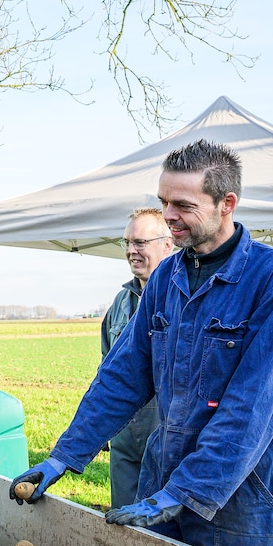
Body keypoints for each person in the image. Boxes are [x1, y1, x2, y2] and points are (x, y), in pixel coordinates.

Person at [10, 139, 273, 546]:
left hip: (245, 489)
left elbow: (253, 409)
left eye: (183, 205)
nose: (169, 215)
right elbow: (122, 376)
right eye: (163, 202)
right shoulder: (165, 279)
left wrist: (184, 492)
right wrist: (64, 457)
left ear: (227, 204)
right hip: (164, 475)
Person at [102, 207, 174, 509]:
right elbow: (106, 371)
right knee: (122, 519)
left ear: (167, 244)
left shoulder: (183, 298)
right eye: (127, 242)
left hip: (169, 436)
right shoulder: (121, 302)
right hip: (125, 437)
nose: (131, 250)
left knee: (164, 523)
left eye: (140, 242)